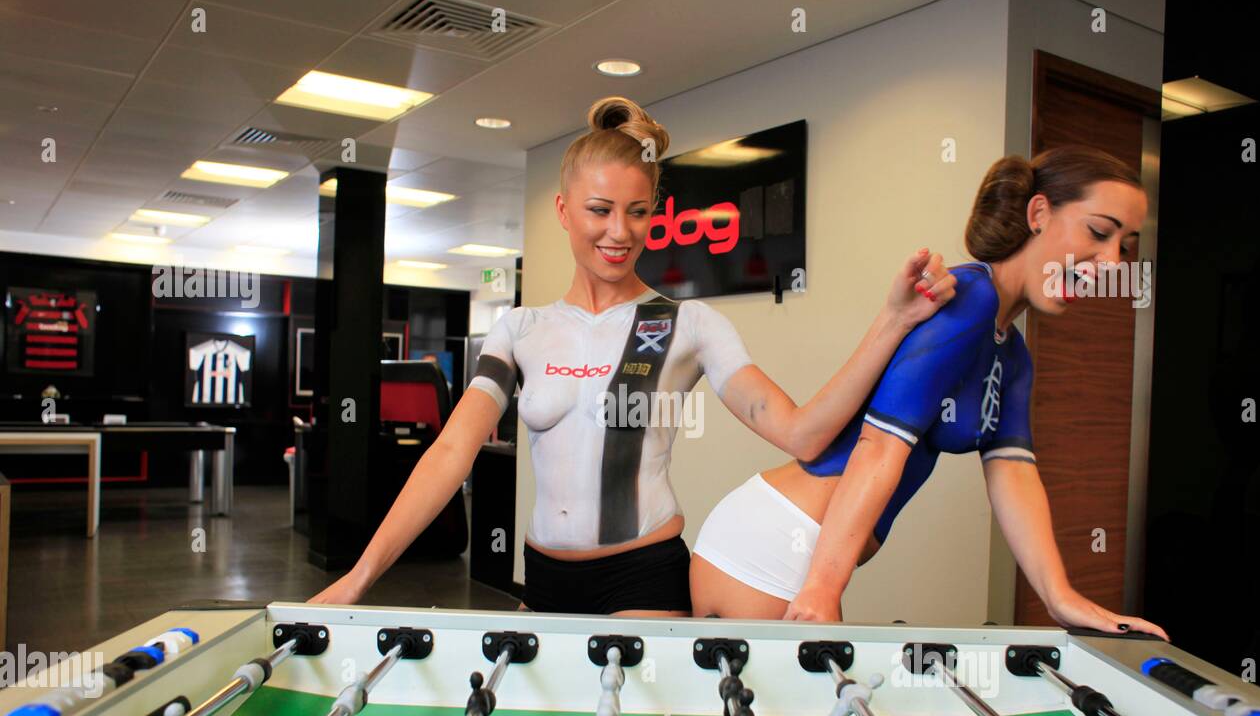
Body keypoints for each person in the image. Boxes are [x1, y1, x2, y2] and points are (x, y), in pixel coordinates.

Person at [310, 95, 956, 616]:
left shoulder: (689, 324)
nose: (620, 232)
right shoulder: (519, 329)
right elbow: (451, 454)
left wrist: (893, 320)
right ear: (563, 210)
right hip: (542, 583)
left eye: (638, 213)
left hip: (641, 583)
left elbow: (804, 435)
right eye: (599, 210)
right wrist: (360, 577)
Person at [691, 145, 1169, 640]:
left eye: (1126, 246)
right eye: (1099, 231)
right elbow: (878, 445)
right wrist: (822, 586)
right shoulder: (970, 299)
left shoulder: (1013, 355)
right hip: (772, 546)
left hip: (810, 555)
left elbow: (1013, 474)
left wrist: (1061, 598)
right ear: (1039, 214)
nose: (1113, 262)